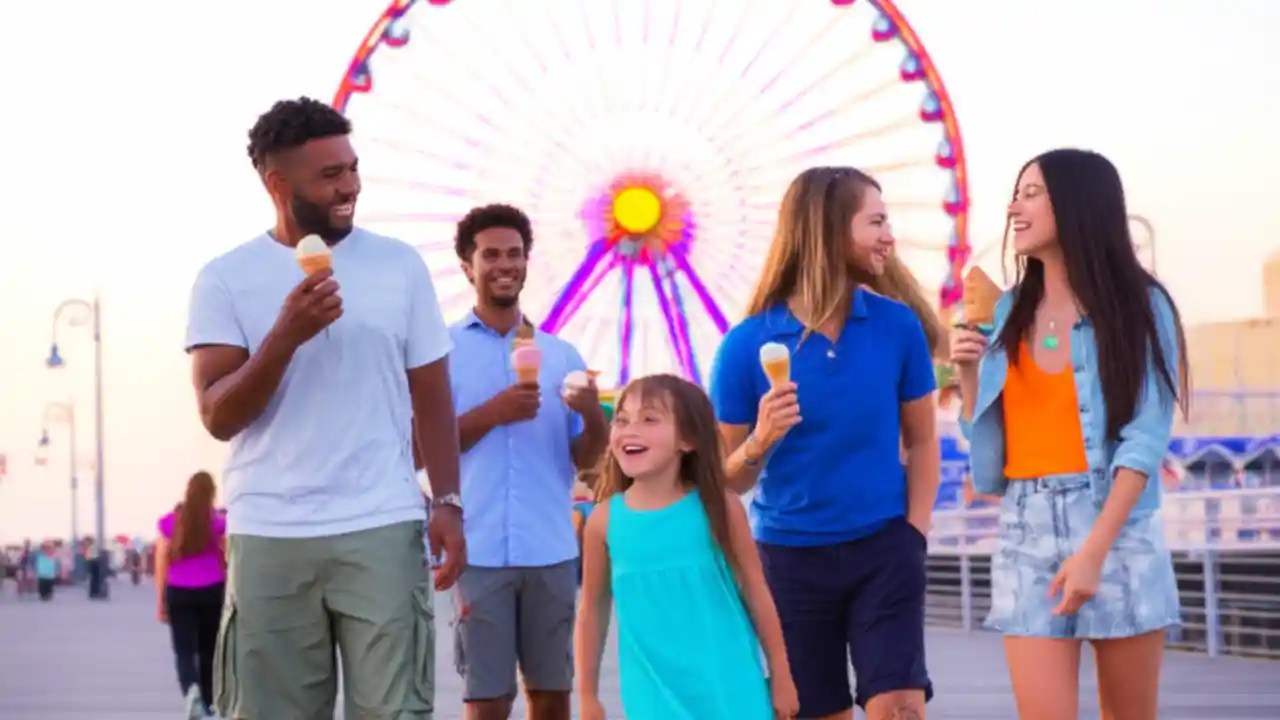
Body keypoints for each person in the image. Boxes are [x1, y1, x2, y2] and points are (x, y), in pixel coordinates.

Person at [184, 96, 465, 720]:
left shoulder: (399, 266)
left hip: (382, 522)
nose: (350, 186)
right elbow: (218, 414)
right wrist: (287, 332)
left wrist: (447, 500)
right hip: (270, 532)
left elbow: (433, 393)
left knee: (397, 711)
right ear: (278, 184)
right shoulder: (226, 279)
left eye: (352, 168)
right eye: (330, 175)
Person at [949, 149, 1188, 720]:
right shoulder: (1007, 312)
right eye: (1017, 193)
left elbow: (1145, 438)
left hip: (1116, 530)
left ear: (1078, 203)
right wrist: (967, 373)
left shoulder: (1141, 306)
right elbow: (992, 446)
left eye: (1032, 193)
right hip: (1025, 529)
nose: (1014, 207)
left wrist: (1093, 551)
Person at [709, 167, 943, 720]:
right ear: (828, 230)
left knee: (901, 709)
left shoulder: (898, 326)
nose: (890, 235)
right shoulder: (744, 347)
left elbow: (924, 440)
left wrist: (915, 532)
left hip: (886, 549)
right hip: (790, 562)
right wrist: (761, 440)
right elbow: (729, 476)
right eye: (877, 221)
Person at [446, 204, 608, 720]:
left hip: (550, 550)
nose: (504, 264)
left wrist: (592, 414)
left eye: (514, 254)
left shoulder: (562, 355)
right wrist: (493, 413)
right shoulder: (441, 353)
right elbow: (418, 449)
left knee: (552, 695)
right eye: (490, 254)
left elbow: (589, 460)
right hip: (479, 549)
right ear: (467, 266)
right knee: (487, 699)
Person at [576, 374, 798, 720]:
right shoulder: (603, 522)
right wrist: (588, 695)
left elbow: (756, 591)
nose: (630, 429)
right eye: (622, 420)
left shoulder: (719, 507)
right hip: (653, 697)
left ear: (688, 440)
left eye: (649, 419)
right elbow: (592, 610)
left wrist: (781, 675)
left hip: (731, 689)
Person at [155, 471, 228, 719]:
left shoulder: (169, 523)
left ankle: (191, 691)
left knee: (184, 652)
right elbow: (228, 559)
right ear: (211, 493)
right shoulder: (217, 523)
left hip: (179, 592)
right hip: (212, 591)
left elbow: (161, 563)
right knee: (209, 651)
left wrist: (160, 601)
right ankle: (209, 705)